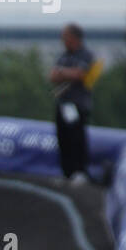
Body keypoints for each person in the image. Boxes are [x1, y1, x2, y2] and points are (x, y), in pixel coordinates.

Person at [49, 23, 95, 183]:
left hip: (78, 104)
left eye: (65, 36)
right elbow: (53, 76)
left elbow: (80, 74)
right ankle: (66, 172)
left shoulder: (85, 55)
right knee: (63, 137)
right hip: (63, 103)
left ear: (74, 38)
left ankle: (79, 172)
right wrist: (66, 73)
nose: (63, 40)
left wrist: (64, 73)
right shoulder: (64, 56)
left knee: (77, 137)